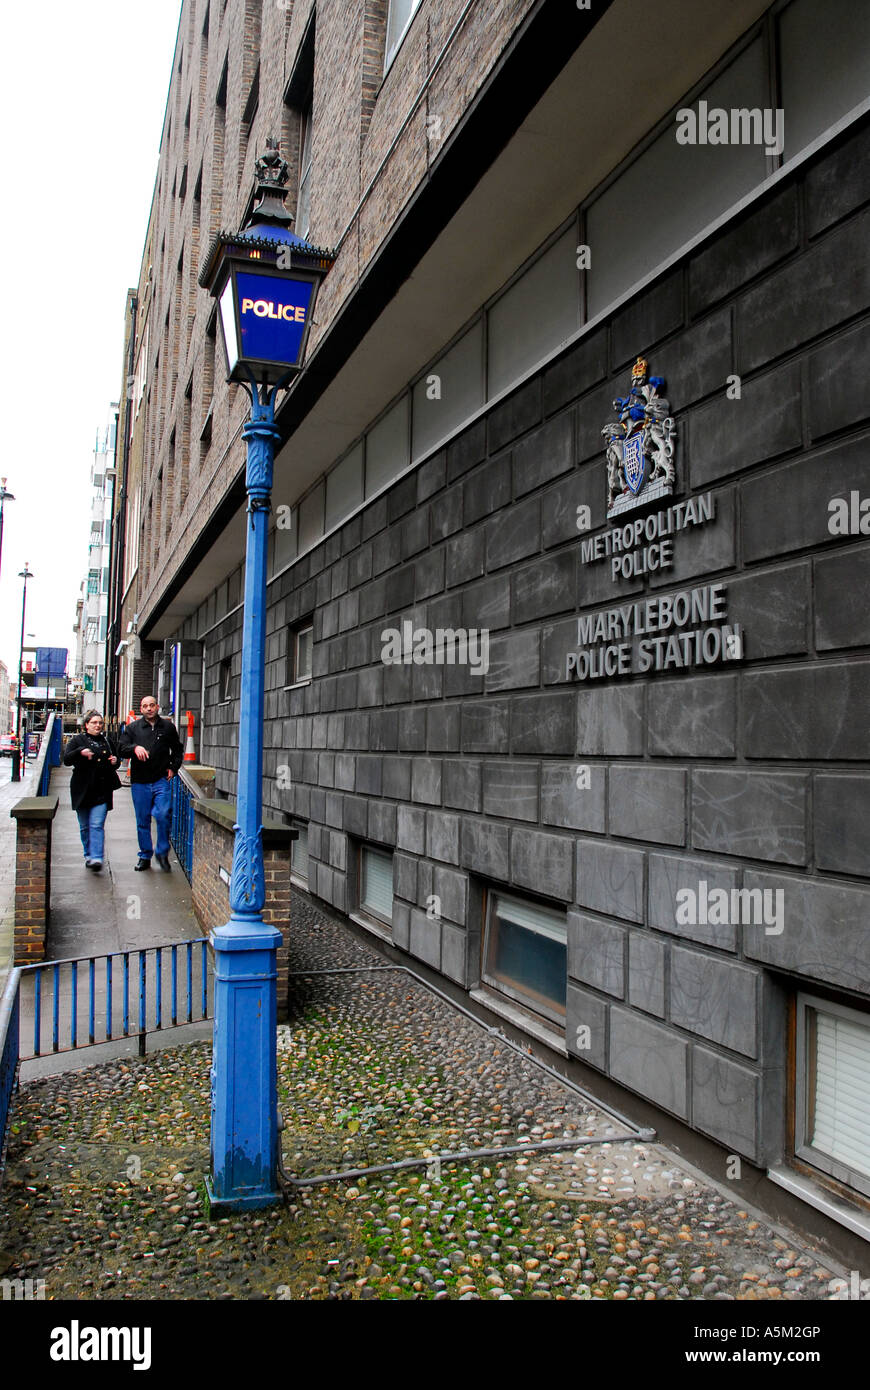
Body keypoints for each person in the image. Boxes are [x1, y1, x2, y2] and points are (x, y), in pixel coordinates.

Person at [118, 695, 183, 872]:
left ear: (157, 707)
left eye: (152, 705)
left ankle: (162, 852)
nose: (149, 709)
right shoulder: (132, 729)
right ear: (141, 708)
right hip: (140, 782)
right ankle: (145, 855)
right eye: (145, 706)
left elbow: (177, 750)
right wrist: (134, 748)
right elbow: (121, 749)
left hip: (161, 779)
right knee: (143, 820)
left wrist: (173, 767)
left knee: (163, 814)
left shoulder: (168, 728)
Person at [63, 710, 122, 872]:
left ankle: (97, 857)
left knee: (96, 825)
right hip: (82, 790)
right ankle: (88, 853)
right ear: (86, 725)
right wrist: (79, 752)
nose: (98, 726)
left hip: (102, 790)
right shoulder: (77, 741)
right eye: (94, 723)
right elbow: (66, 760)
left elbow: (116, 761)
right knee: (84, 826)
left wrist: (115, 761)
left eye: (100, 723)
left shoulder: (107, 741)